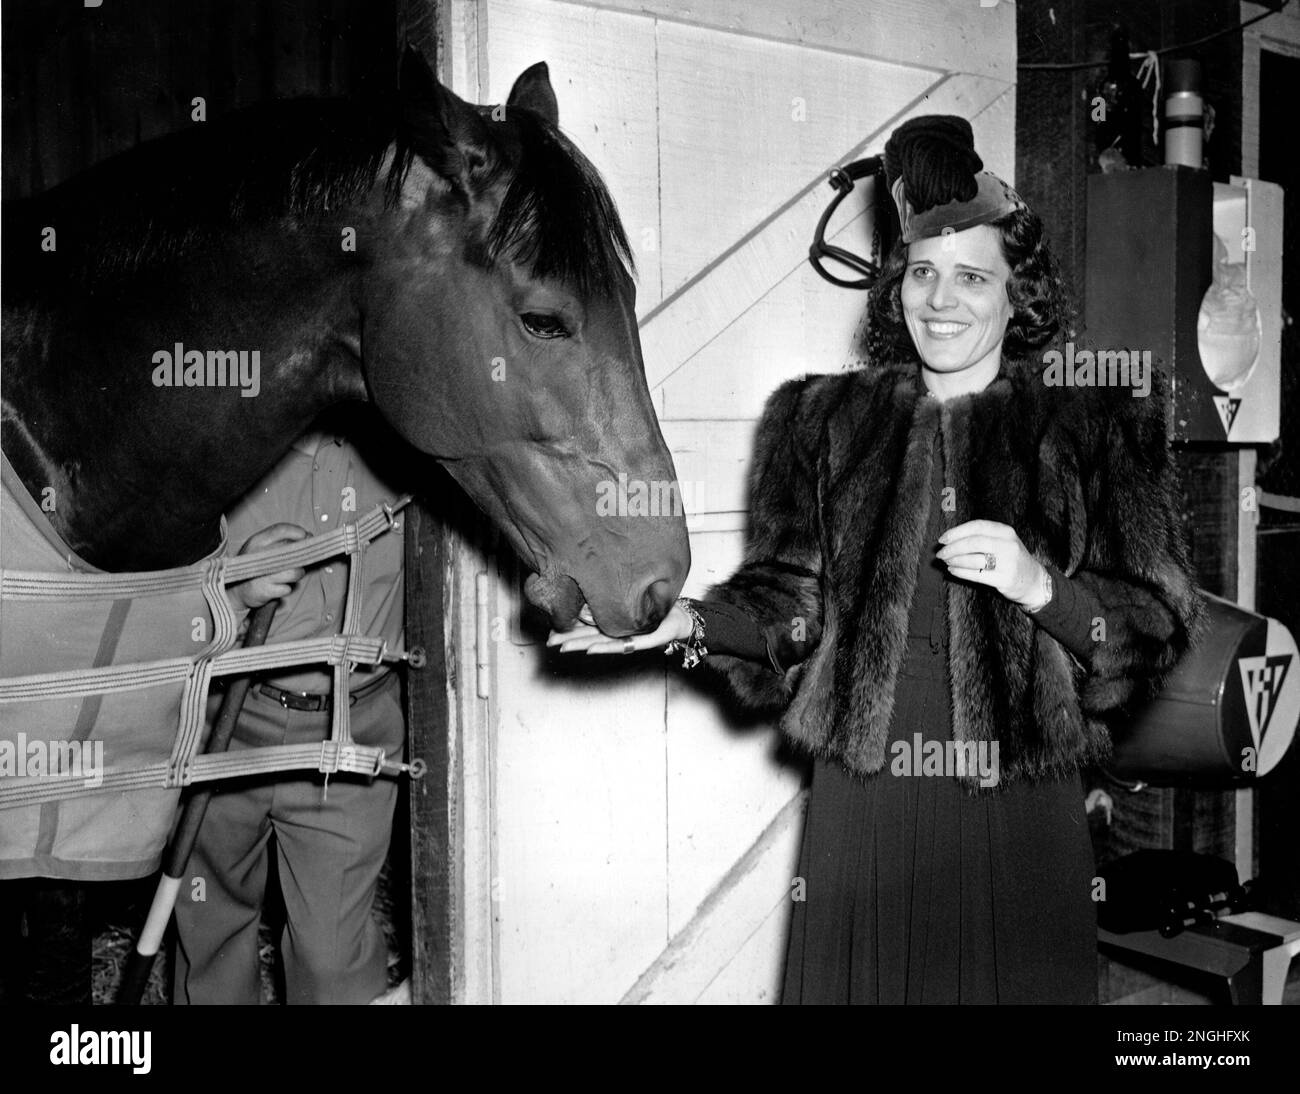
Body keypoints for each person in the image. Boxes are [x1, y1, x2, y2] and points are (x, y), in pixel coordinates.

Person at [551, 116, 1202, 1004]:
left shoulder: (1095, 421)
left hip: (1018, 818)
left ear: (1021, 294)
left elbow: (1155, 627)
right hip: (866, 814)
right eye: (922, 273)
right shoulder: (821, 422)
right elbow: (787, 611)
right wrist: (686, 629)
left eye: (974, 277)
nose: (942, 300)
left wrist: (1041, 588)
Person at [172, 407, 407, 1004]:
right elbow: (154, 591)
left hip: (351, 736)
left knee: (333, 959)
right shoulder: (224, 439)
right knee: (211, 923)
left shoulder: (416, 448)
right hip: (228, 720)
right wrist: (233, 590)